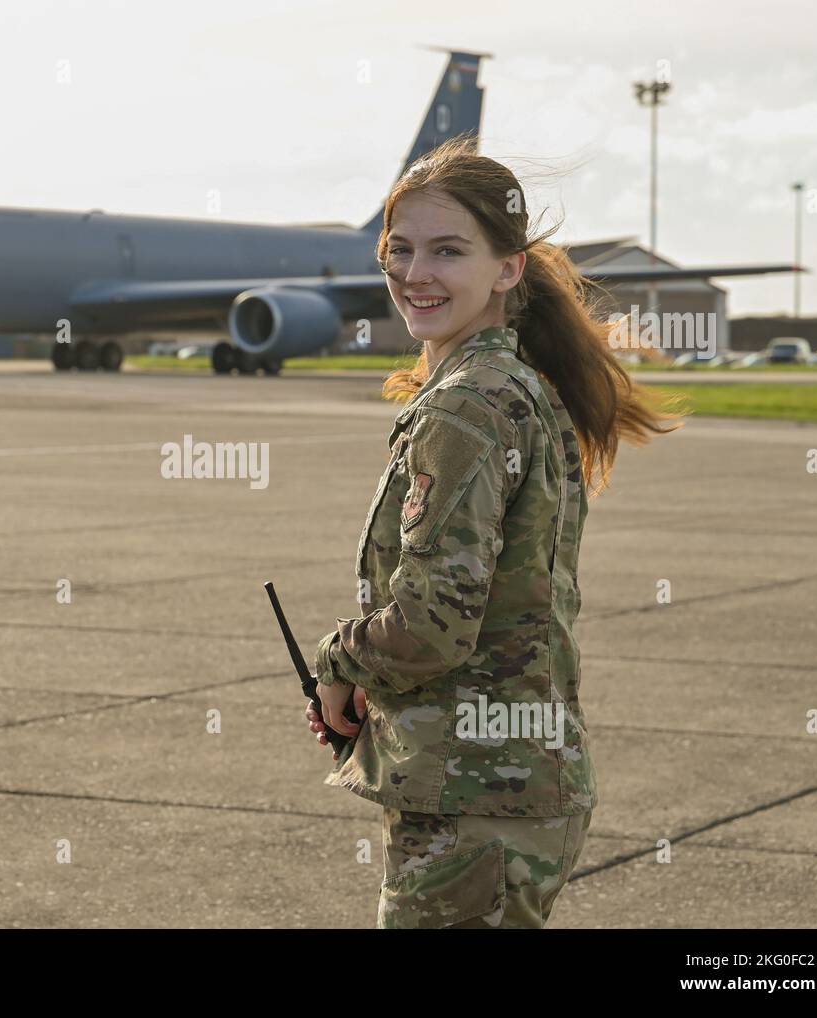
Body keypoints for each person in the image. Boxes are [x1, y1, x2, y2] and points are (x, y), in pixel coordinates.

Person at [305, 135, 681, 929]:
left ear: (508, 269)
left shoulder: (466, 406)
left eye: (448, 251)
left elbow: (433, 626)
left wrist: (338, 657)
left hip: (477, 801)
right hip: (510, 782)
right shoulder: (514, 386)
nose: (415, 273)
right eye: (399, 250)